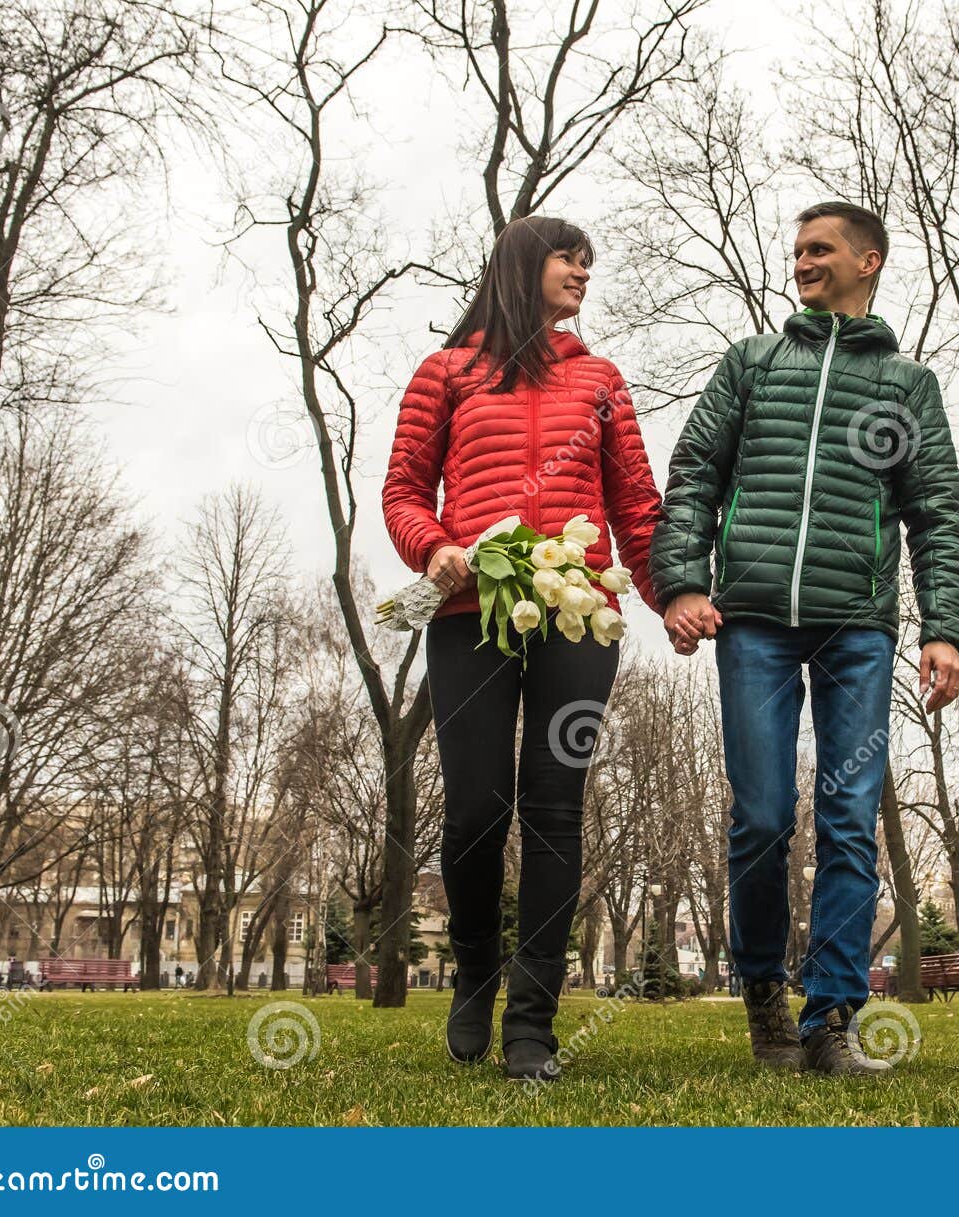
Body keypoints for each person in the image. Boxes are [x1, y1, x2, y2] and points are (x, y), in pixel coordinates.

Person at [651, 201, 959, 1076]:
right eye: (796, 250)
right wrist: (680, 579)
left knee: (849, 818)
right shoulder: (752, 362)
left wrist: (945, 629)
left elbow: (936, 513)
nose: (803, 261)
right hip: (752, 620)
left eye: (820, 249)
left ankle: (831, 1017)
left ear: (868, 260)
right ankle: (763, 994)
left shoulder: (908, 386)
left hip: (856, 628)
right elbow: (694, 476)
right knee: (759, 816)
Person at [383, 215, 663, 1083]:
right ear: (520, 263)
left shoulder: (602, 380)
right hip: (472, 613)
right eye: (568, 257)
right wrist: (432, 546)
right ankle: (475, 971)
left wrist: (674, 597)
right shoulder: (447, 373)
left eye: (589, 262)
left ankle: (532, 1024)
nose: (582, 271)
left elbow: (637, 505)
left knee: (554, 808)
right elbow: (401, 490)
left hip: (577, 618)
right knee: (473, 809)